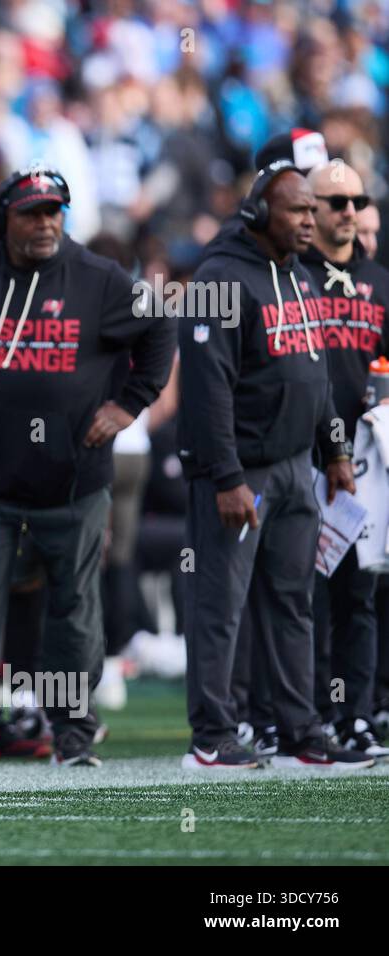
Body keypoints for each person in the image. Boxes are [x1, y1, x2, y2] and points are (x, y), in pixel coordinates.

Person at [0, 167, 174, 768]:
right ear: (5, 216)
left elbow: (160, 322)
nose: (45, 223)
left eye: (54, 211)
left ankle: (73, 732)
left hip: (74, 481)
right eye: (32, 213)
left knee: (75, 609)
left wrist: (129, 404)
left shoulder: (98, 277)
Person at [178, 159, 372, 771]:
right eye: (298, 210)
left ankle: (299, 730)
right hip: (242, 473)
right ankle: (211, 735)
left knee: (294, 602)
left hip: (295, 467)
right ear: (260, 214)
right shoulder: (220, 279)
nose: (311, 221)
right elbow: (208, 390)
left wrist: (335, 450)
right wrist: (228, 476)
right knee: (221, 605)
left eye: (314, 211)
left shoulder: (300, 277)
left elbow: (315, 375)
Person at [300, 162, 389, 757]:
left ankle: (356, 715)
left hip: (364, 458)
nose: (348, 211)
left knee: (359, 595)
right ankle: (310, 716)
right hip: (302, 454)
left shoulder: (380, 281)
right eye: (336, 202)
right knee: (303, 594)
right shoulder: (296, 278)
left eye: (356, 200)